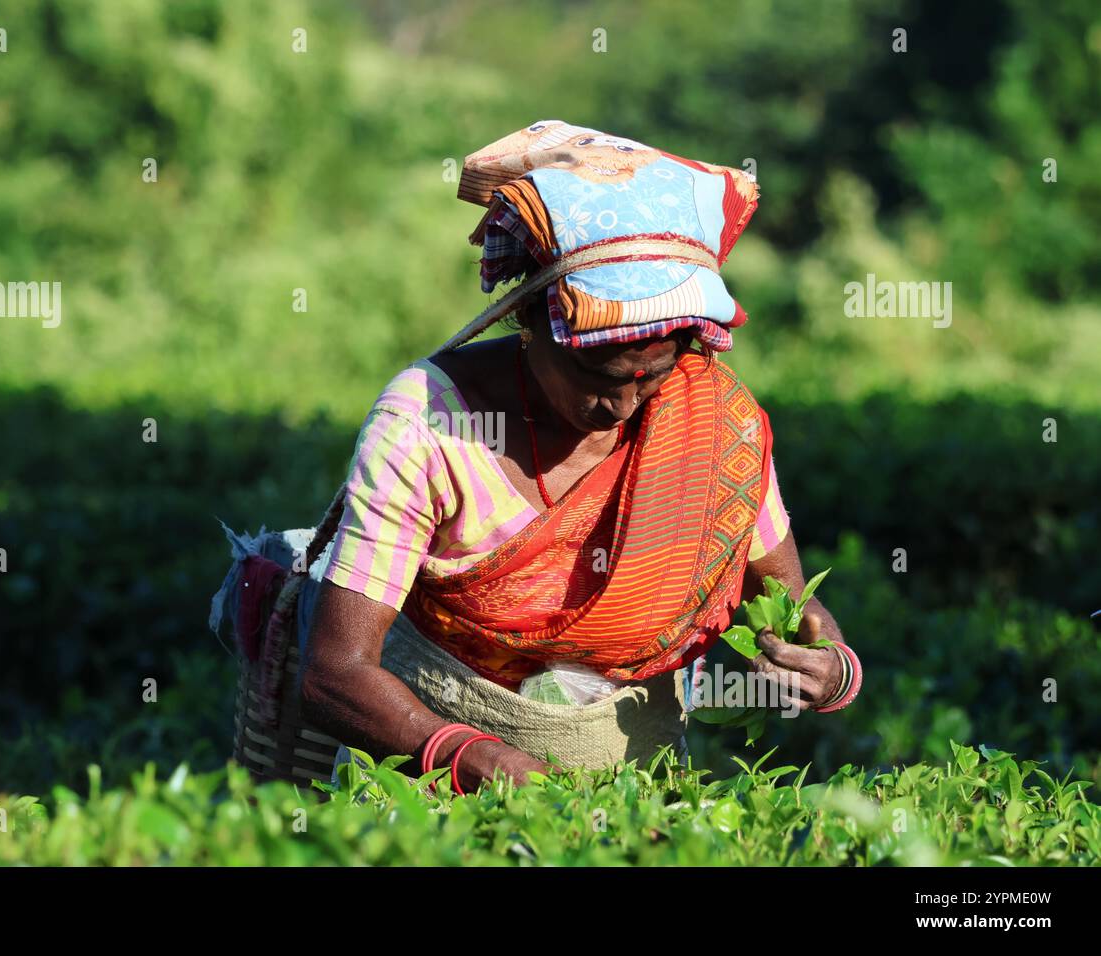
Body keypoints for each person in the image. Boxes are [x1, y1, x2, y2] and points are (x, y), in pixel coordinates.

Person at [219, 120, 861, 795]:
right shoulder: (431, 423)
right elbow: (335, 670)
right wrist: (472, 758)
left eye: (652, 375)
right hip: (423, 790)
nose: (622, 405)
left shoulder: (710, 423)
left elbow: (796, 614)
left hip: (630, 801)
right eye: (600, 377)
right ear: (530, 320)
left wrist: (830, 669)